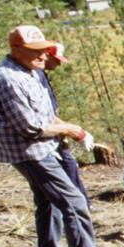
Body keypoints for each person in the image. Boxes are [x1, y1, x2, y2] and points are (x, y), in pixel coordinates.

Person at [0, 25, 104, 247]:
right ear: (16, 49)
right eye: (35, 51)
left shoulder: (33, 71)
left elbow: (48, 115)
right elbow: (30, 127)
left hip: (45, 146)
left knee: (48, 201)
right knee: (74, 201)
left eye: (43, 50)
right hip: (29, 151)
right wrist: (71, 131)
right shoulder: (7, 78)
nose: (43, 56)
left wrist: (71, 128)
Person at [39, 42, 91, 206]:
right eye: (56, 59)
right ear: (46, 55)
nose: (59, 63)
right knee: (67, 166)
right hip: (48, 136)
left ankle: (81, 205)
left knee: (69, 165)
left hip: (56, 131)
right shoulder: (35, 76)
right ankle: (79, 206)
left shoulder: (41, 75)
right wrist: (70, 131)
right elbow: (45, 117)